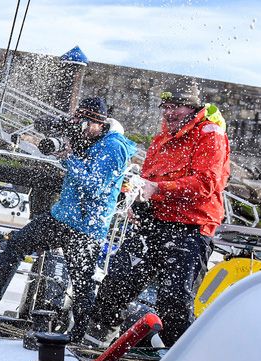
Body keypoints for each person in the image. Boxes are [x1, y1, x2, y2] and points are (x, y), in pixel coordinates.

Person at [0, 97, 137, 341]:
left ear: (99, 123)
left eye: (85, 123)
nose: (81, 128)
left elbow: (95, 186)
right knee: (16, 244)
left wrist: (68, 158)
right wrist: (64, 141)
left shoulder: (114, 147)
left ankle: (80, 337)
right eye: (79, 122)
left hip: (86, 228)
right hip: (61, 217)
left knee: (82, 285)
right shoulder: (87, 139)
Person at [87, 80, 230, 346]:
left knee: (174, 298)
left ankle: (176, 360)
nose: (169, 112)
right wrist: (137, 202)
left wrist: (158, 189)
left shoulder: (210, 134)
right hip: (154, 222)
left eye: (176, 106)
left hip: (192, 226)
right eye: (166, 106)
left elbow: (207, 183)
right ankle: (98, 340)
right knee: (117, 282)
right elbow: (147, 178)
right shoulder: (162, 138)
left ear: (192, 107)